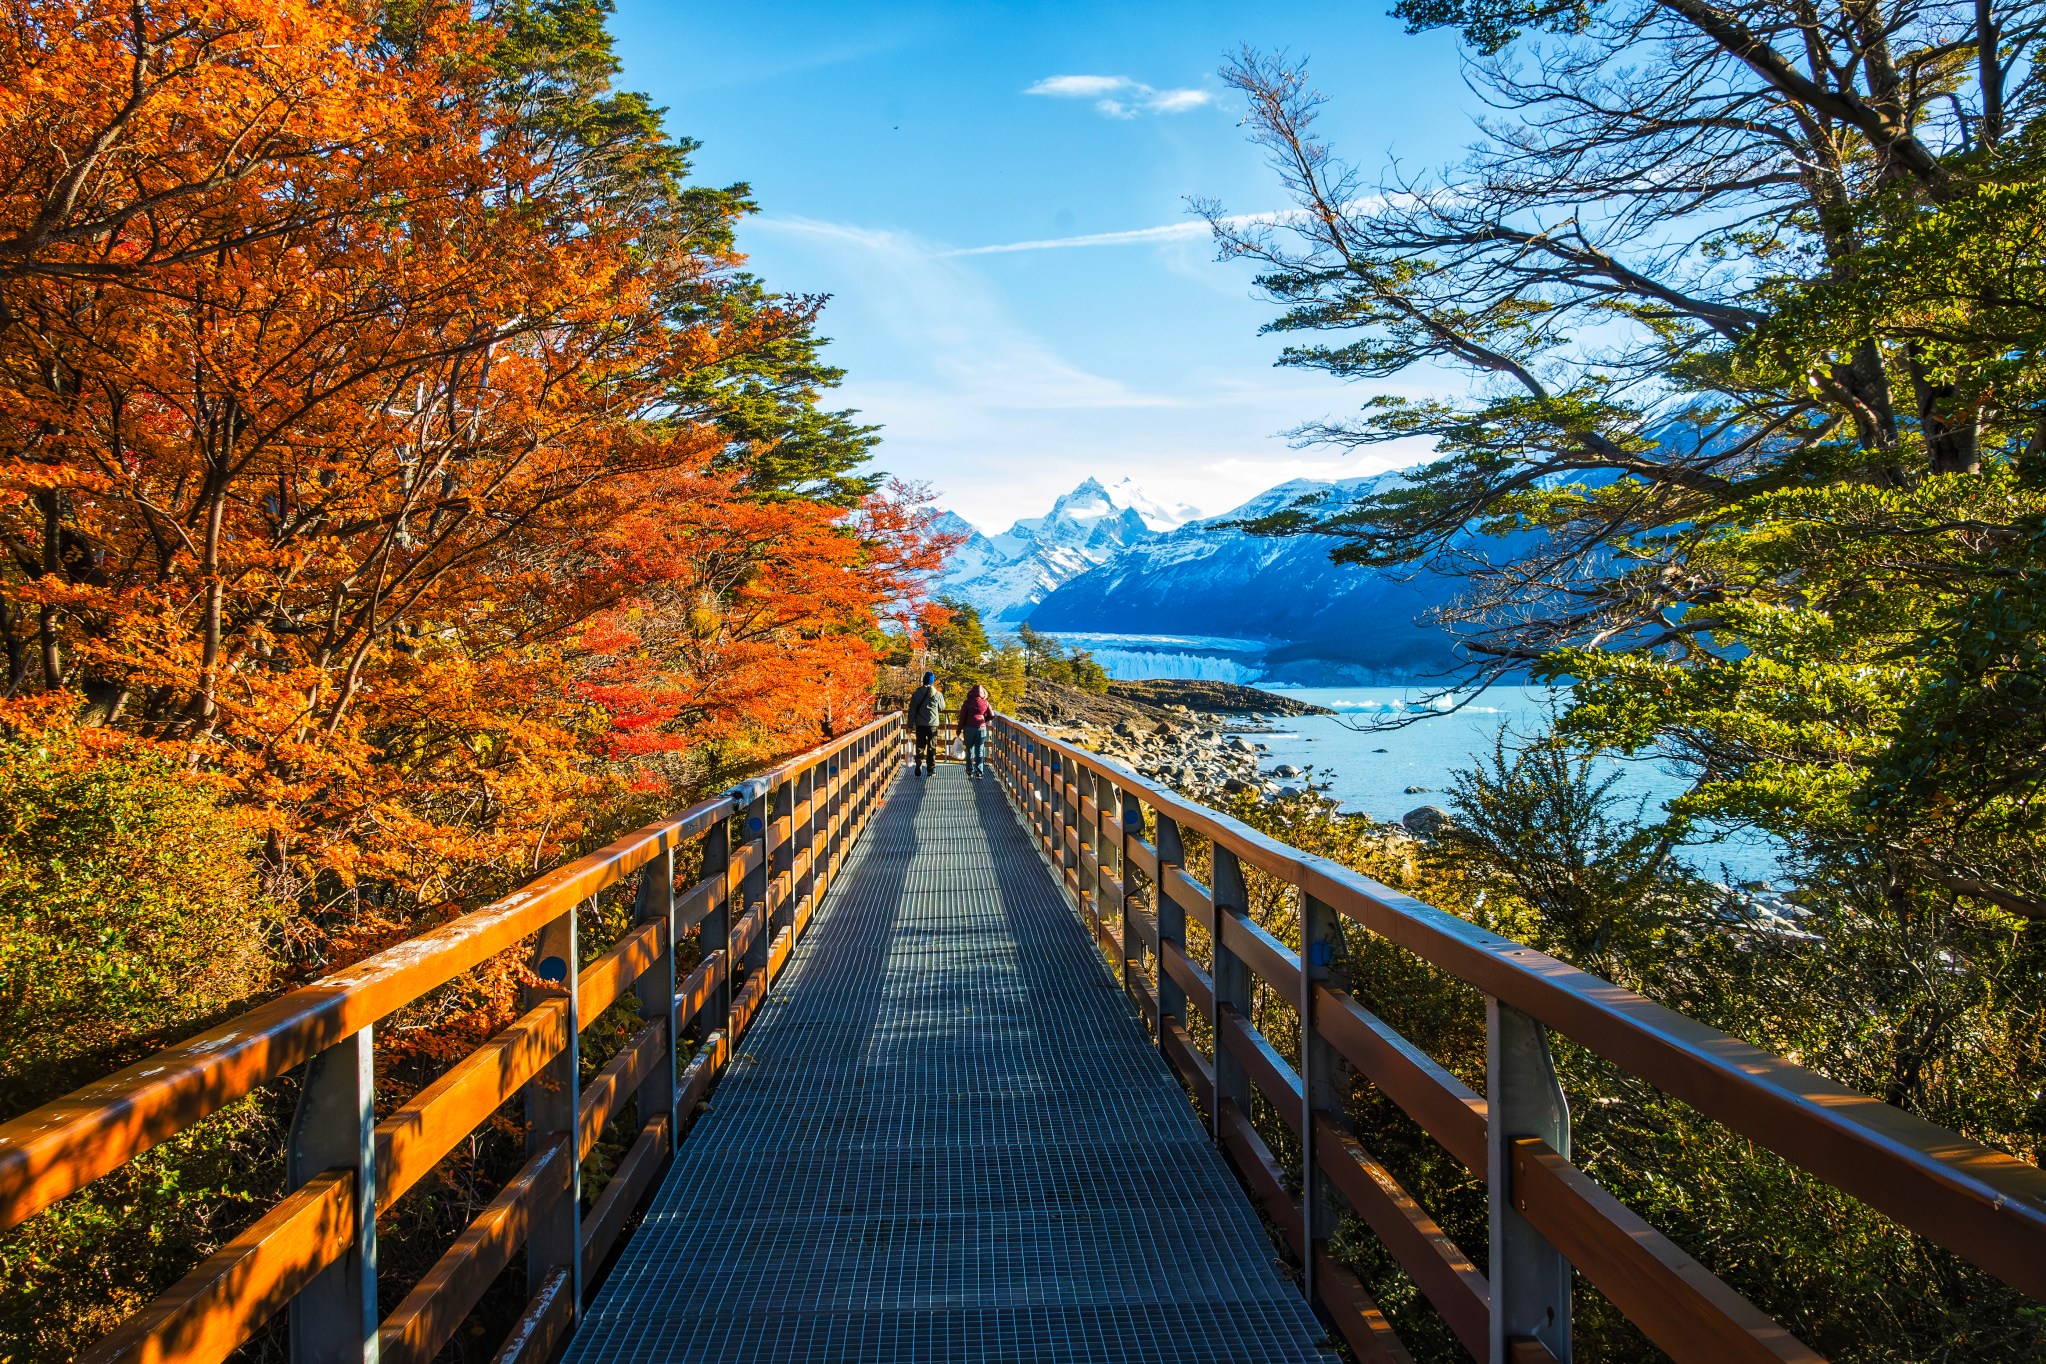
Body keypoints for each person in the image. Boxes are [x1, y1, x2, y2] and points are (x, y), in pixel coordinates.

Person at [907, 671, 945, 776]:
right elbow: (942, 707)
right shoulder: (938, 694)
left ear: (924, 680)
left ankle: (918, 765)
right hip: (933, 725)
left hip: (920, 725)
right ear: (932, 682)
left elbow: (912, 711)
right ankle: (930, 770)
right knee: (932, 747)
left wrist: (910, 725)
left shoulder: (917, 694)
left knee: (920, 746)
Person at [958, 682, 993, 779]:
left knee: (969, 750)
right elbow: (992, 715)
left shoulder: (967, 703)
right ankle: (979, 772)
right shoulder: (985, 702)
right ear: (983, 693)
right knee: (979, 749)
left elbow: (962, 718)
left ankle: (969, 770)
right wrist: (983, 720)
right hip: (981, 728)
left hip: (968, 728)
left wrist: (958, 730)